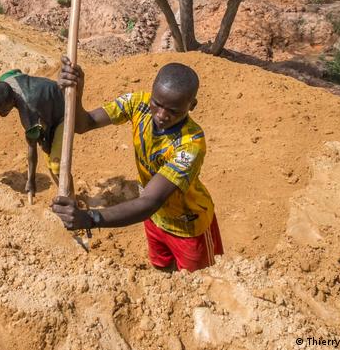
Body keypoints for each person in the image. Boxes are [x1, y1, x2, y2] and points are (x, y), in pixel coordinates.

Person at [50, 57, 223, 272]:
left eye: (173, 111)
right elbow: (85, 124)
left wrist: (90, 218)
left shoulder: (190, 144)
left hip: (188, 227)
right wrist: (75, 93)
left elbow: (150, 201)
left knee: (197, 281)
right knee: (161, 268)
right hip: (153, 219)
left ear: (192, 105)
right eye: (157, 103)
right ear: (152, 92)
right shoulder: (138, 103)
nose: (161, 115)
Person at [0, 70, 64, 200]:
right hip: (51, 96)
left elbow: (32, 148)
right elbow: (17, 72)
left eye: (3, 110)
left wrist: (31, 180)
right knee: (47, 153)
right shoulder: (6, 79)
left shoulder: (28, 114)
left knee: (55, 166)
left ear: (12, 100)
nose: (1, 115)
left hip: (63, 112)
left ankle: (70, 199)